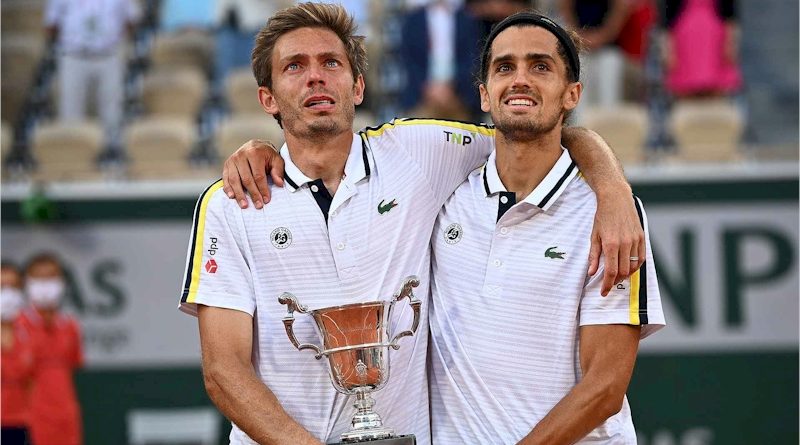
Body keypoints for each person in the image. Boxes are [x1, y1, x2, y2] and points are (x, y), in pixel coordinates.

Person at [181, 3, 644, 444]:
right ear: (267, 98)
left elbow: (532, 129)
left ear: (358, 86)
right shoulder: (230, 204)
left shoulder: (417, 152)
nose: (316, 76)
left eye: (331, 63)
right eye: (294, 66)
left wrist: (612, 187)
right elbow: (224, 372)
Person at [427, 12, 665, 443]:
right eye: (505, 67)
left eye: (540, 66)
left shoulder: (608, 215)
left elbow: (604, 389)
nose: (520, 79)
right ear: (484, 94)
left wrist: (612, 190)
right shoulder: (442, 192)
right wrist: (260, 148)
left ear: (571, 93)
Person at [45, 0, 140, 150]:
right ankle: (73, 153)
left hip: (108, 55)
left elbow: (131, 20)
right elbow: (51, 24)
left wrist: (114, 38)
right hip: (74, 56)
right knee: (71, 108)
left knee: (112, 110)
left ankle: (111, 153)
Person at [19, 253, 84, 445]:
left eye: (51, 277)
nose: (45, 284)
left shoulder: (70, 326)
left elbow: (73, 367)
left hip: (66, 417)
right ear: (27, 283)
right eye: (39, 278)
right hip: (27, 418)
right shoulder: (17, 326)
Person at [662, 0, 742, 97]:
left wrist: (730, 43)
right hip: (684, 35)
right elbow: (668, 17)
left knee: (715, 82)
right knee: (686, 84)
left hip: (714, 35)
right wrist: (668, 49)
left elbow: (730, 15)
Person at [1, 262, 34, 445]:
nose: (6, 294)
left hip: (24, 423)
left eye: (12, 287)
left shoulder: (31, 330)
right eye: (1, 287)